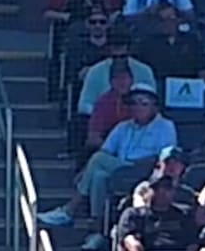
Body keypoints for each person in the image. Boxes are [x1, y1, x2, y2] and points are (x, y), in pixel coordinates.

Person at [38, 83, 177, 240]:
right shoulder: (123, 127)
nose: (138, 107)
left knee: (97, 160)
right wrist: (88, 172)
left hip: (145, 172)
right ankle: (98, 231)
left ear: (154, 106)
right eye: (134, 103)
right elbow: (106, 151)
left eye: (144, 103)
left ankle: (69, 210)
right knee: (98, 176)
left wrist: (85, 172)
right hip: (120, 171)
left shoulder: (165, 127)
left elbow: (166, 156)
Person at [133, 0, 205, 80]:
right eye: (164, 20)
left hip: (186, 82)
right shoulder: (148, 44)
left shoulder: (191, 41)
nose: (169, 23)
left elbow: (201, 68)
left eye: (171, 18)